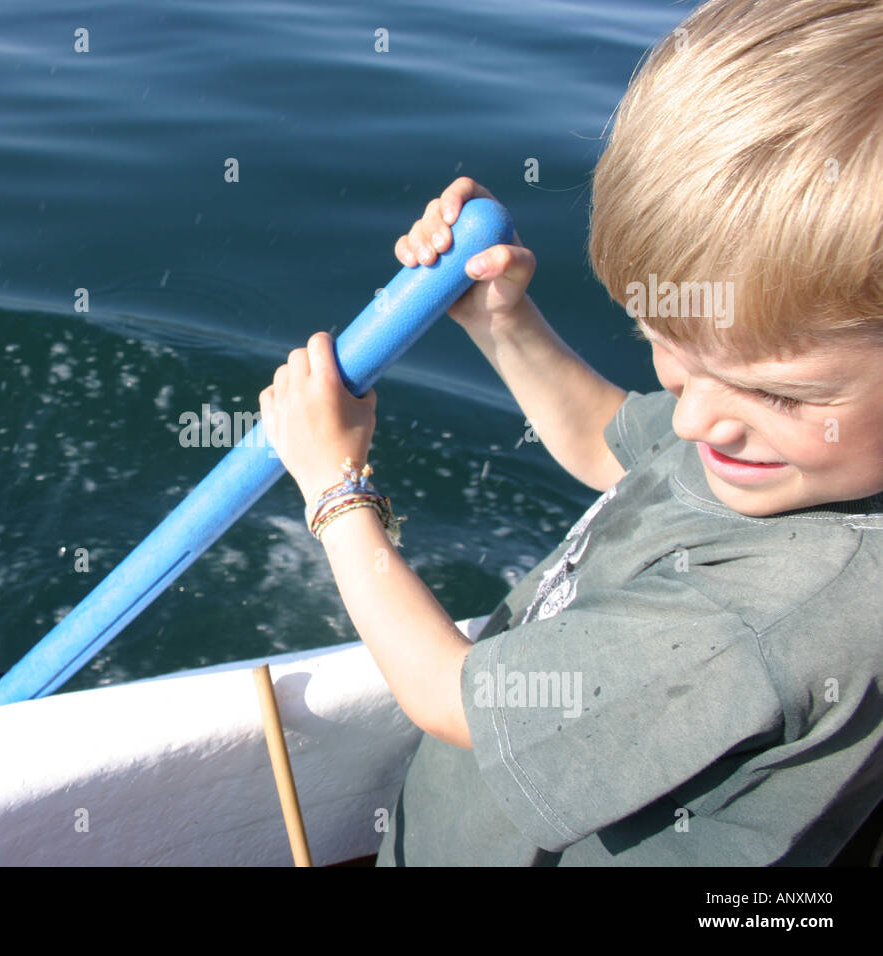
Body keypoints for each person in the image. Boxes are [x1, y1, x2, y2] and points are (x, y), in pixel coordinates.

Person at [258, 0, 883, 865]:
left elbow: (449, 695)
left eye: (776, 394)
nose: (697, 417)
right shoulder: (792, 450)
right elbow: (606, 446)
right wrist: (499, 320)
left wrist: (335, 489)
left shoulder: (780, 614)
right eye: (668, 347)